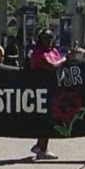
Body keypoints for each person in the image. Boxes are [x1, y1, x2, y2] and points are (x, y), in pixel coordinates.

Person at [28, 31, 66, 161]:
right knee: (45, 120)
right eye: (46, 38)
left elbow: (58, 63)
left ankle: (40, 145)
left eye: (51, 37)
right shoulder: (38, 53)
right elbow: (51, 66)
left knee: (50, 119)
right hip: (39, 91)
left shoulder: (53, 51)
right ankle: (42, 149)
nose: (49, 40)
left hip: (53, 90)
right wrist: (65, 60)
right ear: (40, 39)